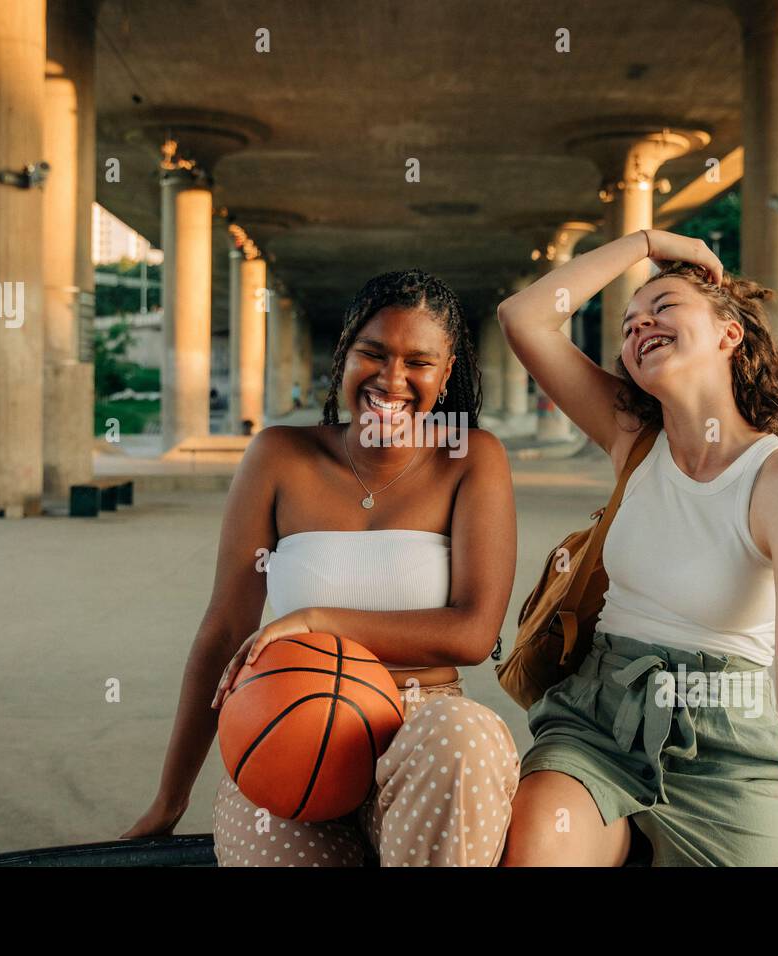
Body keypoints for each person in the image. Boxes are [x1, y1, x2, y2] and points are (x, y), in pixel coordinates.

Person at [122, 269, 521, 866]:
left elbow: (473, 632)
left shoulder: (470, 458)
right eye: (374, 353)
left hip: (425, 724)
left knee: (467, 737)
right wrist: (168, 799)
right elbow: (225, 632)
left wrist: (315, 620)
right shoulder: (279, 455)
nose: (392, 379)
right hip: (288, 723)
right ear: (345, 352)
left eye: (419, 361)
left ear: (448, 370)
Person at [496, 229, 778, 866]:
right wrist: (646, 240)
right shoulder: (633, 438)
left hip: (731, 752)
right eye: (627, 324)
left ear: (729, 333)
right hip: (597, 727)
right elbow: (525, 317)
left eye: (664, 307)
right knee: (538, 842)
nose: (640, 326)